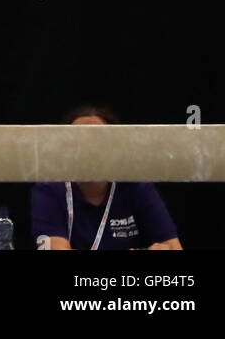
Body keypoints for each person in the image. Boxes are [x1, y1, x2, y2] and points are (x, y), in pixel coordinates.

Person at [30, 105, 183, 250]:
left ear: (112, 149)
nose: (86, 149)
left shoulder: (136, 187)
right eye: (76, 142)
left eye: (95, 141)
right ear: (66, 150)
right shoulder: (50, 189)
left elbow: (173, 246)